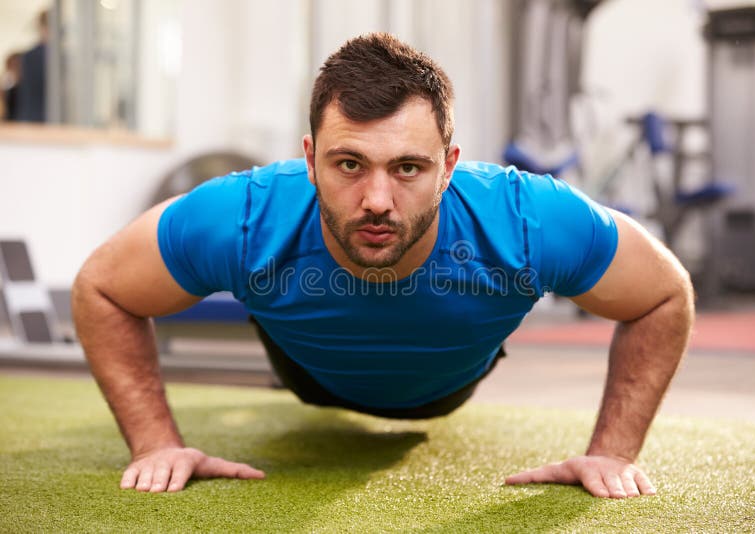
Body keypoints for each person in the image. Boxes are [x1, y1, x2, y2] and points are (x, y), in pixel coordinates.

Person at [72, 33, 694, 499]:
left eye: (407, 168)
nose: (376, 200)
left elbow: (664, 294)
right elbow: (102, 287)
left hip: (448, 386)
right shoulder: (242, 214)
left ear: (449, 166)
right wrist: (155, 442)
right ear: (310, 158)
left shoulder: (528, 219)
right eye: (348, 165)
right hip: (306, 371)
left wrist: (613, 453)